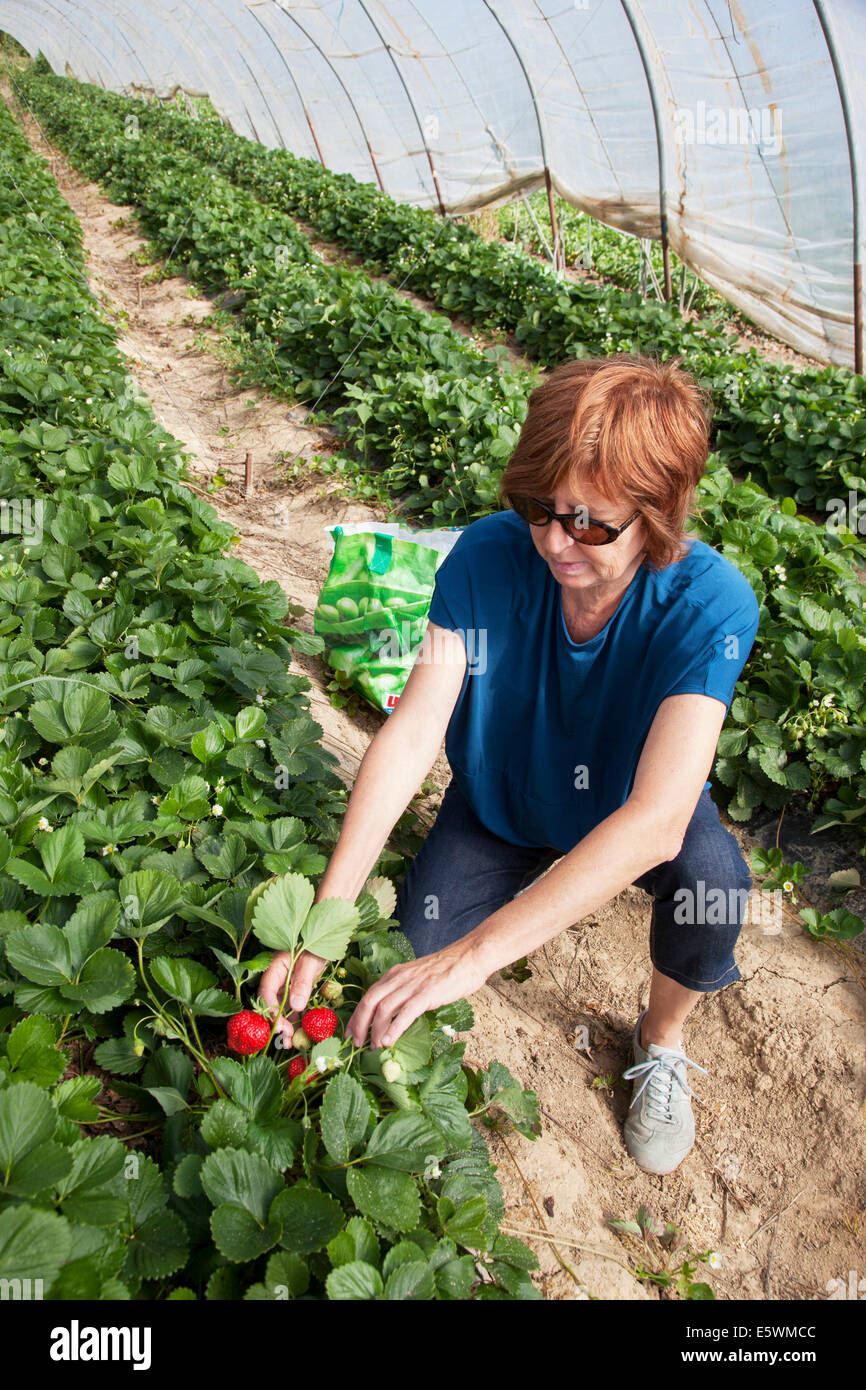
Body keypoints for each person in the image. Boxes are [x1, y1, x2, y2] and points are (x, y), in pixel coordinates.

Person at [259, 353, 760, 1176]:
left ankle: (661, 1041)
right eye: (541, 508)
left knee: (715, 884)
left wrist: (477, 956)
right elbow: (415, 730)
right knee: (398, 977)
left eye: (591, 523)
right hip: (503, 799)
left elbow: (657, 819)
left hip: (626, 809)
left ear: (660, 513)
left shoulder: (711, 604)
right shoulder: (488, 559)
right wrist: (323, 920)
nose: (555, 542)